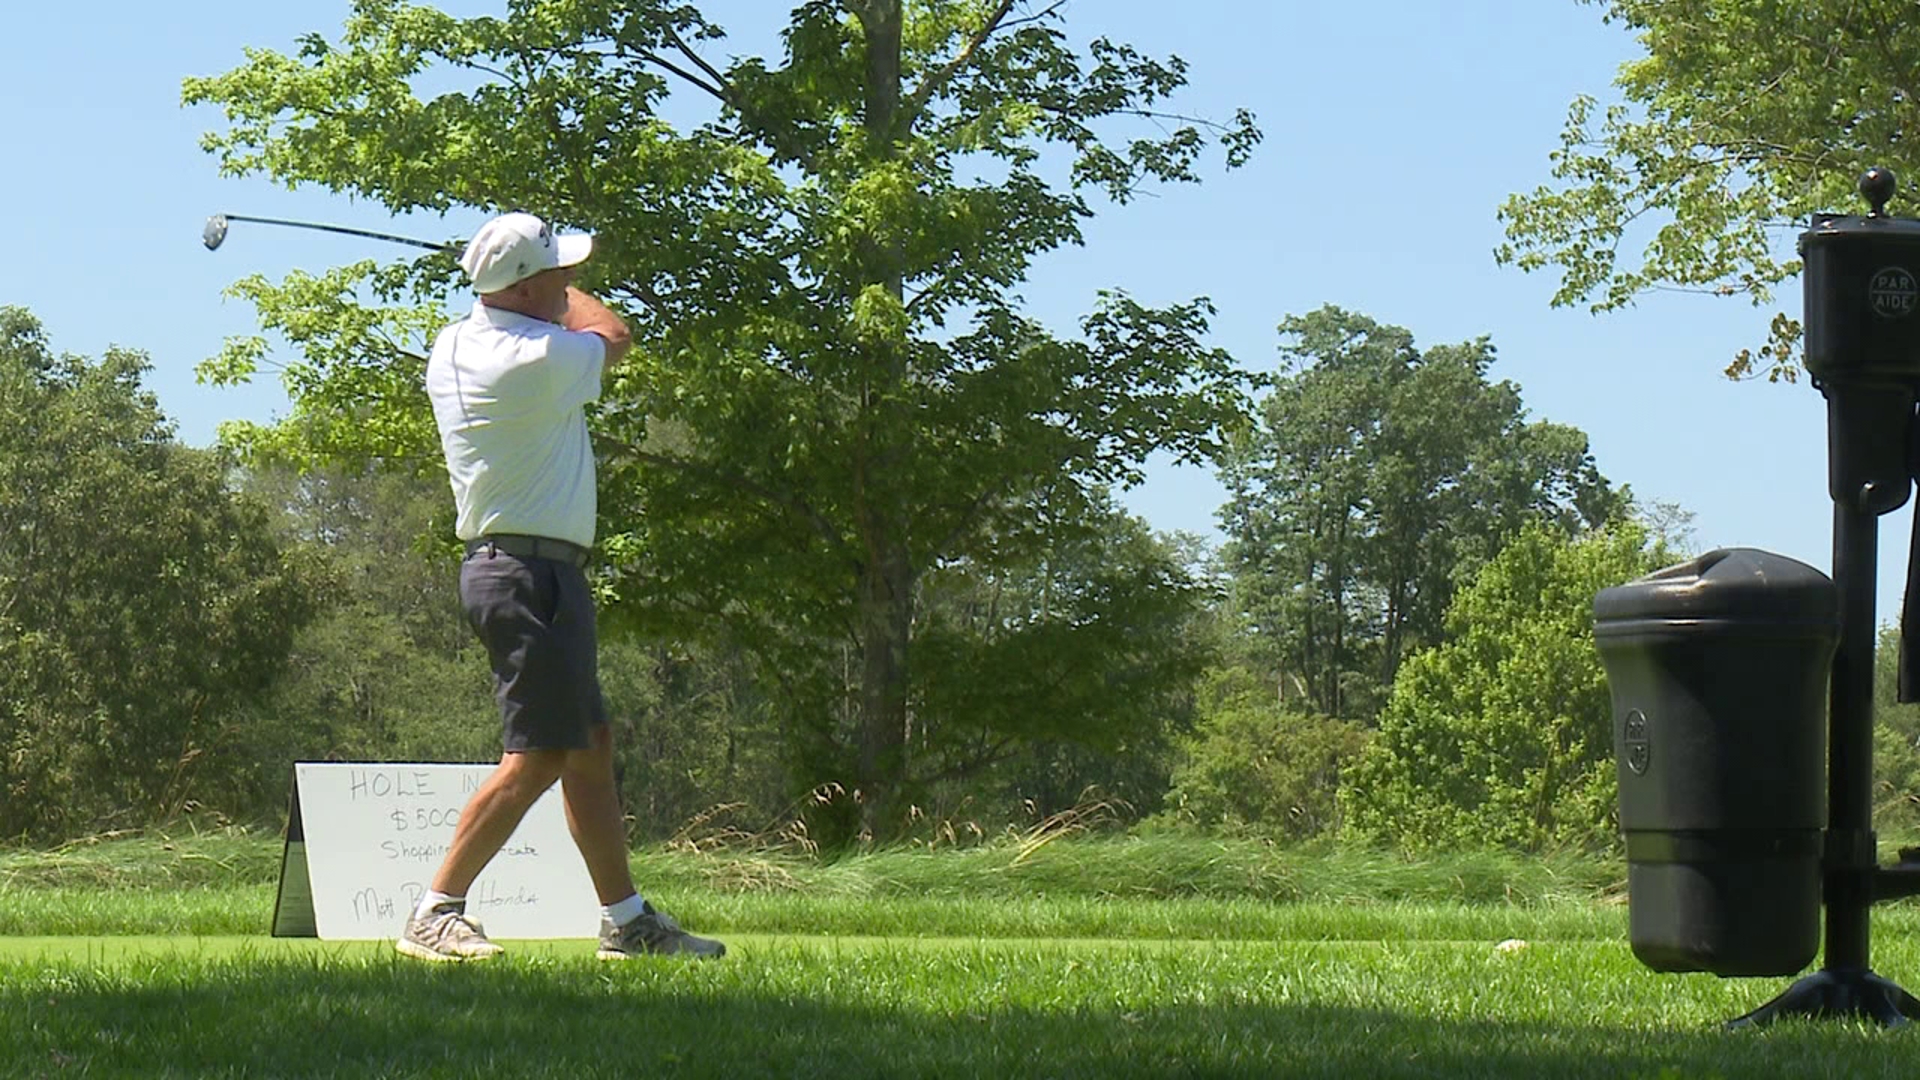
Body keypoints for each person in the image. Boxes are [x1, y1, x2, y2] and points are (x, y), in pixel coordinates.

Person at [398, 211, 724, 962]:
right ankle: (435, 911)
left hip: (530, 569)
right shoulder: (536, 358)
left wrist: (538, 285)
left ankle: (627, 921)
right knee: (540, 754)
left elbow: (531, 311)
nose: (573, 280)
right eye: (561, 271)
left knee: (589, 746)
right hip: (525, 574)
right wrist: (570, 296)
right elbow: (614, 335)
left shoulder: (455, 342)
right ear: (528, 286)